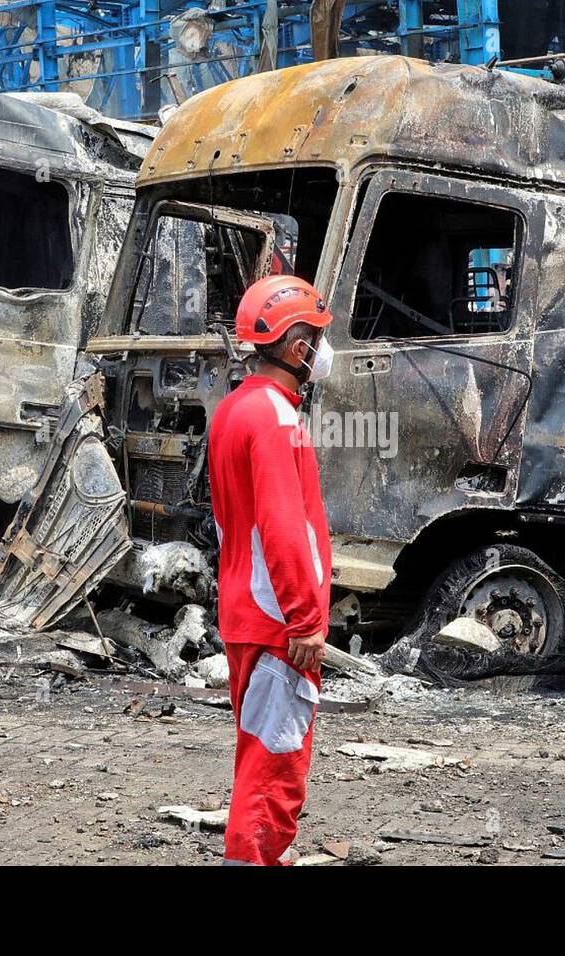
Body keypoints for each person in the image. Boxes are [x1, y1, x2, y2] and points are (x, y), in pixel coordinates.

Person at [207, 274, 336, 865]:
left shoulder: (234, 410)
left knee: (259, 760)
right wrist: (306, 618)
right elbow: (285, 526)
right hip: (279, 624)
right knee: (272, 779)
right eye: (315, 336)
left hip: (246, 614)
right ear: (294, 347)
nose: (322, 349)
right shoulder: (276, 420)